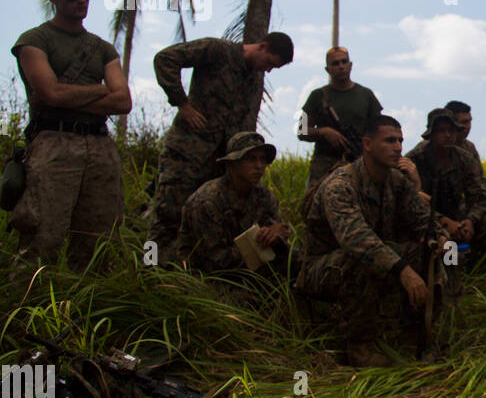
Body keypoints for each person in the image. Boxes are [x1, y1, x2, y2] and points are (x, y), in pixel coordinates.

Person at [298, 114, 447, 366]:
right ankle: (359, 346)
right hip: (323, 269)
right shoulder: (340, 184)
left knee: (427, 253)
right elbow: (356, 239)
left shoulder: (396, 181)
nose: (398, 147)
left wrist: (440, 240)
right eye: (389, 140)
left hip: (376, 257)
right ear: (368, 144)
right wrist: (403, 270)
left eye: (400, 140)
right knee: (363, 259)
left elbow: (422, 221)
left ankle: (414, 335)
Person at [10, 0, 131, 270]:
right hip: (53, 143)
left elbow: (123, 100)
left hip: (100, 147)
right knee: (41, 237)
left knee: (99, 242)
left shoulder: (103, 48)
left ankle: (89, 309)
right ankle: (28, 310)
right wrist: (98, 90)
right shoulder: (34, 40)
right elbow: (49, 94)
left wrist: (67, 95)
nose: (81, 0)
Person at [148, 30, 293, 260]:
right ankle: (149, 272)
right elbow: (165, 59)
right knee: (166, 218)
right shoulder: (216, 50)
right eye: (269, 62)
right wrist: (182, 104)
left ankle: (187, 279)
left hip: (217, 164)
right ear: (262, 46)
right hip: (186, 154)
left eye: (273, 68)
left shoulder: (254, 78)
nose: (268, 69)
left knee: (205, 226)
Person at [178, 132, 291, 276]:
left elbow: (278, 238)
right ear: (232, 163)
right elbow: (216, 263)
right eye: (251, 159)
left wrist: (277, 237)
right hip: (207, 279)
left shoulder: (264, 196)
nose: (259, 166)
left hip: (252, 270)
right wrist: (261, 242)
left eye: (263, 159)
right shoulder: (207, 201)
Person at [407, 108, 486, 266]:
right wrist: (444, 222)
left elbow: (481, 196)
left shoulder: (464, 158)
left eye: (452, 130)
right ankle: (450, 275)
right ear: (431, 134)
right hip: (427, 221)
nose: (448, 135)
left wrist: (470, 220)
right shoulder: (414, 160)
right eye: (442, 131)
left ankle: (485, 275)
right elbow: (411, 203)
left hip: (459, 218)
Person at [299, 46, 383, 195]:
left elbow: (380, 129)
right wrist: (324, 132)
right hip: (325, 164)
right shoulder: (317, 96)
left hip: (358, 162)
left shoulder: (366, 95)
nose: (341, 67)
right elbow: (302, 130)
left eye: (344, 62)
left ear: (350, 65)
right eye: (335, 63)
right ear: (327, 69)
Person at [445, 98, 486, 211]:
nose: (468, 126)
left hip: (470, 205)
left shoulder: (469, 148)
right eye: (463, 122)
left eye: (470, 121)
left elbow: (480, 178)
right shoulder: (435, 146)